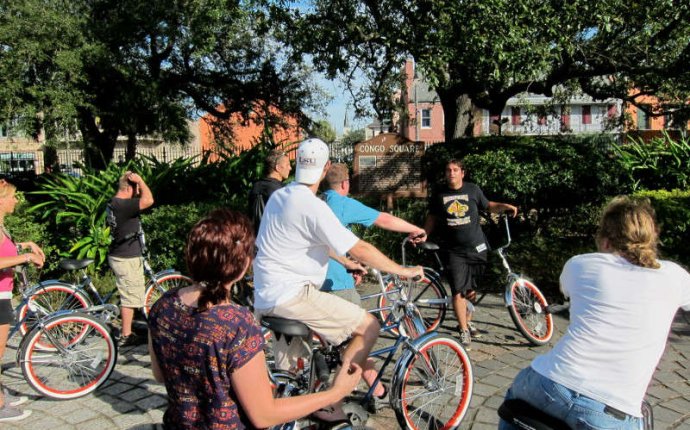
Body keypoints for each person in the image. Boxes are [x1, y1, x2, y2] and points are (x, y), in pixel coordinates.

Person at [253, 138, 424, 422]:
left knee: (293, 383)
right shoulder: (313, 205)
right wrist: (404, 271)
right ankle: (333, 399)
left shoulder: (280, 197)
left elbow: (316, 242)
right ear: (326, 167)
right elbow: (361, 247)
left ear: (296, 163)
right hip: (294, 296)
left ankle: (297, 412)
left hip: (266, 297)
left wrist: (345, 263)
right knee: (369, 326)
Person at [148, 208, 362, 429]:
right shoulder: (236, 324)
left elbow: (159, 374)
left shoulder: (163, 305)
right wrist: (336, 393)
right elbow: (264, 415)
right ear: (242, 267)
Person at [499, 196, 690, 430]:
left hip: (545, 383)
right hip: (611, 408)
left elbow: (568, 291)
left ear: (606, 241)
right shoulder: (676, 277)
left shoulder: (580, 264)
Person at [424, 159, 517, 348]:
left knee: (471, 291)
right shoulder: (439, 195)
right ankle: (463, 330)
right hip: (454, 251)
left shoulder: (473, 190)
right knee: (458, 292)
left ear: (462, 173)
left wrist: (505, 206)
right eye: (448, 170)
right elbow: (432, 218)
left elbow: (489, 205)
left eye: (455, 170)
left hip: (477, 247)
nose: (451, 173)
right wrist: (423, 234)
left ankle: (467, 320)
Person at [321, 162, 427, 305]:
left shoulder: (318, 201)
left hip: (314, 281)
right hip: (336, 283)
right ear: (345, 184)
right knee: (362, 325)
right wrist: (416, 229)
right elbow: (384, 219)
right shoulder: (343, 204)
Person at [0, 179, 45, 422]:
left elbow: (5, 250)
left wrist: (24, 245)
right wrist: (26, 256)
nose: (16, 201)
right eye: (12, 197)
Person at [107, 171, 154, 347]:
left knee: (128, 292)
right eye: (136, 189)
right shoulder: (124, 205)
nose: (138, 192)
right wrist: (141, 180)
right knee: (129, 297)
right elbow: (149, 200)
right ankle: (126, 335)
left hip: (119, 253)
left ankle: (132, 325)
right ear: (129, 188)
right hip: (126, 257)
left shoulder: (113, 202)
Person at [247, 149, 291, 234]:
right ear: (277, 168)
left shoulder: (256, 186)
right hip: (273, 239)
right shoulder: (280, 191)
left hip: (254, 237)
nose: (290, 168)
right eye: (287, 165)